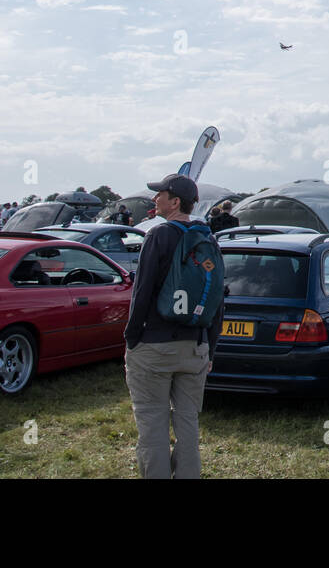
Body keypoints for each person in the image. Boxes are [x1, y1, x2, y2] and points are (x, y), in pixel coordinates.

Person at [124, 173, 224, 480]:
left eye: (160, 194)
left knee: (153, 422)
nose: (155, 198)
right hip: (195, 347)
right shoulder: (209, 239)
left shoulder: (158, 235)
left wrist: (132, 339)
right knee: (188, 423)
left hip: (155, 345)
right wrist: (210, 349)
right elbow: (217, 299)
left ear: (175, 202)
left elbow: (142, 292)